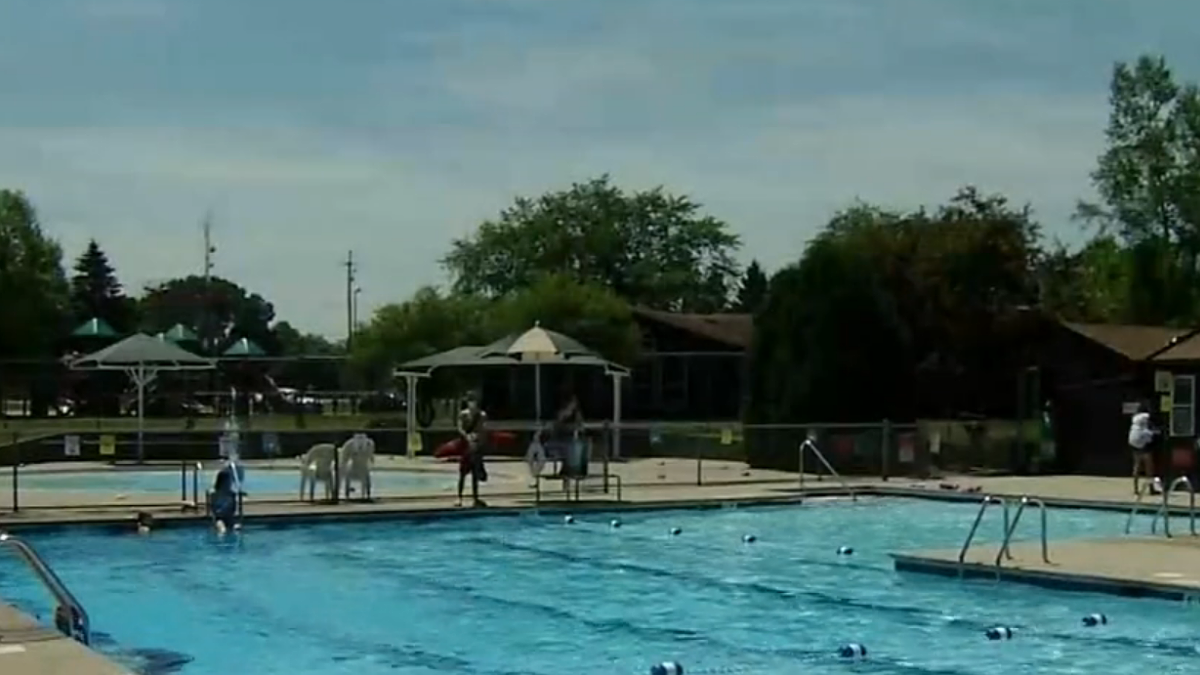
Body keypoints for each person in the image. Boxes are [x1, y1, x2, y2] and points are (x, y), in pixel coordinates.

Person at [456, 393, 488, 508]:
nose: (472, 403)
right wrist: (467, 437)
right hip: (466, 446)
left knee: (475, 475)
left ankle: (475, 498)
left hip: (477, 447)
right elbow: (459, 428)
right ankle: (459, 497)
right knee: (462, 473)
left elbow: (483, 430)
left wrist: (478, 441)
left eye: (473, 401)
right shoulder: (463, 414)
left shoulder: (482, 415)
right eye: (470, 401)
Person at [1129, 402, 1162, 495]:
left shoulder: (1134, 417)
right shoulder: (1147, 416)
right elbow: (1152, 427)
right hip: (1143, 441)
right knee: (1149, 466)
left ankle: (1135, 489)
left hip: (1133, 440)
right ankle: (1151, 488)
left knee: (1137, 465)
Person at [210, 464, 241, 535]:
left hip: (229, 517)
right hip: (219, 518)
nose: (229, 484)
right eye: (228, 482)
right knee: (222, 530)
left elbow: (234, 508)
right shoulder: (215, 494)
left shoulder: (231, 494)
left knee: (237, 528)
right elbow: (213, 509)